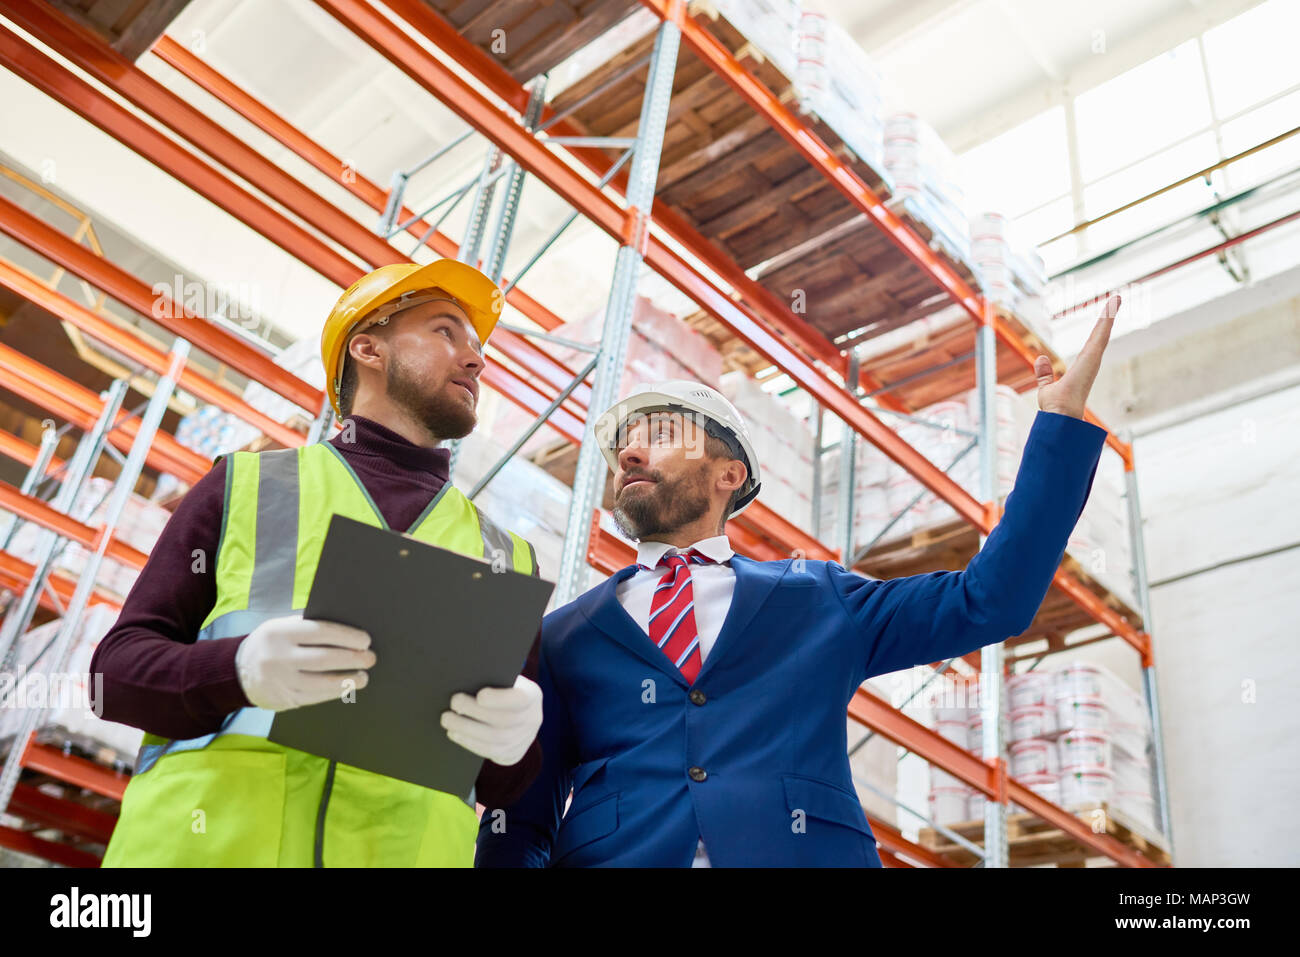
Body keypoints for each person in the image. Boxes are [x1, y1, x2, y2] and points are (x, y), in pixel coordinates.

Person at [476, 297, 1123, 867]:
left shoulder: (817, 598)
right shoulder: (562, 636)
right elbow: (519, 823)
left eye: (661, 436)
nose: (632, 455)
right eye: (623, 449)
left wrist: (1058, 433)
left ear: (730, 474)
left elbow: (989, 601)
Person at [94, 259, 545, 867]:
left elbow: (500, 791)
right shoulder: (250, 486)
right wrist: (238, 669)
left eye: (477, 347)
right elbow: (114, 677)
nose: (475, 359)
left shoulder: (506, 555)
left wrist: (520, 746)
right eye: (446, 331)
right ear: (368, 348)